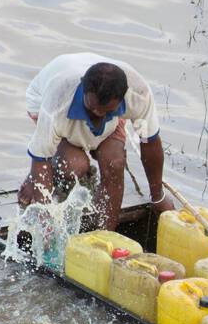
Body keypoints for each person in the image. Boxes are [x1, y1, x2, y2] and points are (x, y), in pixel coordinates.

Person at [19, 52, 173, 228]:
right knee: (74, 165)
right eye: (92, 108)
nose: (98, 114)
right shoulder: (56, 105)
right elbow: (41, 158)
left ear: (122, 99)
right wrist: (44, 218)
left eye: (106, 110)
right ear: (84, 89)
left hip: (110, 121)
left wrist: (158, 196)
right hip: (50, 103)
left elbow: (149, 141)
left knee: (114, 163)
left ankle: (105, 232)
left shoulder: (137, 95)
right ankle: (43, 171)